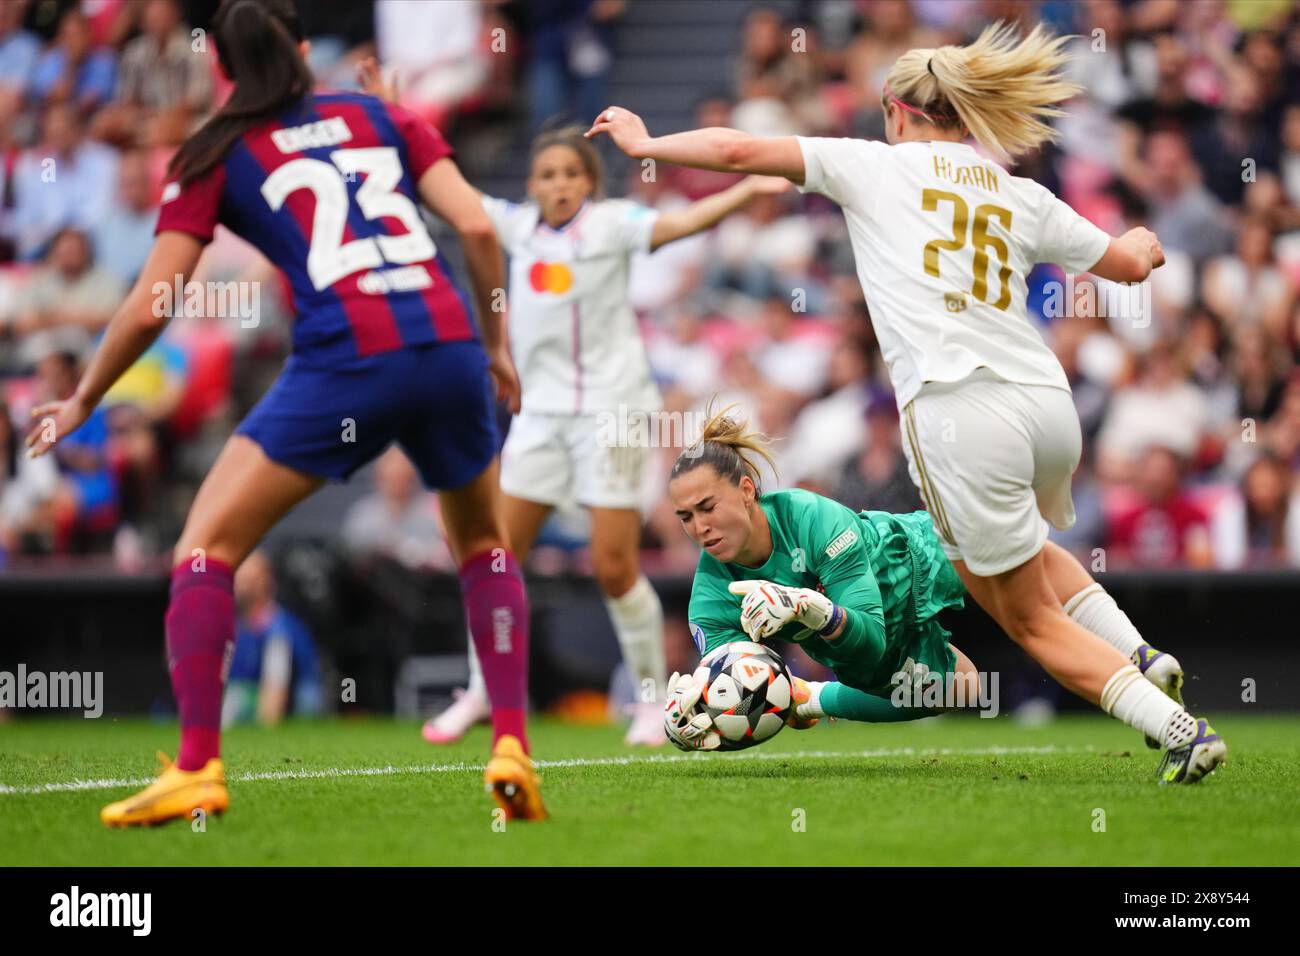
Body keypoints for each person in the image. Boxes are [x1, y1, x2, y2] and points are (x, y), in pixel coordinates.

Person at [587, 21, 1226, 783]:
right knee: (1009, 561)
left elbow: (735, 152)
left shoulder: (872, 167)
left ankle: (1180, 730)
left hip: (961, 414)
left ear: (896, 110)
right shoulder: (1023, 192)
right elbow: (1127, 265)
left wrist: (647, 144)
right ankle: (1141, 656)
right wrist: (1146, 245)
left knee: (1025, 616)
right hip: (1048, 407)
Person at [27, 0, 545, 824]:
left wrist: (87, 392)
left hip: (348, 356)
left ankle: (198, 765)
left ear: (220, 71)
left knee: (205, 547)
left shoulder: (214, 151)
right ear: (304, 52)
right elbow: (479, 225)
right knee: (483, 544)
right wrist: (496, 346)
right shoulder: (380, 114)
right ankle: (512, 745)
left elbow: (157, 298)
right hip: (446, 342)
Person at [364, 90, 793, 746]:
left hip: (611, 414)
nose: (558, 185)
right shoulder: (512, 227)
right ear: (532, 185)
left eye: (571, 174)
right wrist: (398, 119)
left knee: (614, 565)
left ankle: (654, 701)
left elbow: (687, 223)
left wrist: (747, 189)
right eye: (547, 175)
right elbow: (438, 192)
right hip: (538, 417)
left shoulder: (614, 225)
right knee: (495, 556)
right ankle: (484, 689)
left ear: (589, 183)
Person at [663, 408, 985, 749]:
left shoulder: (810, 518)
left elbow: (872, 633)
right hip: (860, 645)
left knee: (1027, 587)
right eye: (686, 516)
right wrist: (703, 713)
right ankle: (814, 698)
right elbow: (742, 696)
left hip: (916, 561)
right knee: (962, 689)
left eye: (708, 507)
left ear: (746, 491)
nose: (699, 528)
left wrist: (814, 610)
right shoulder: (709, 602)